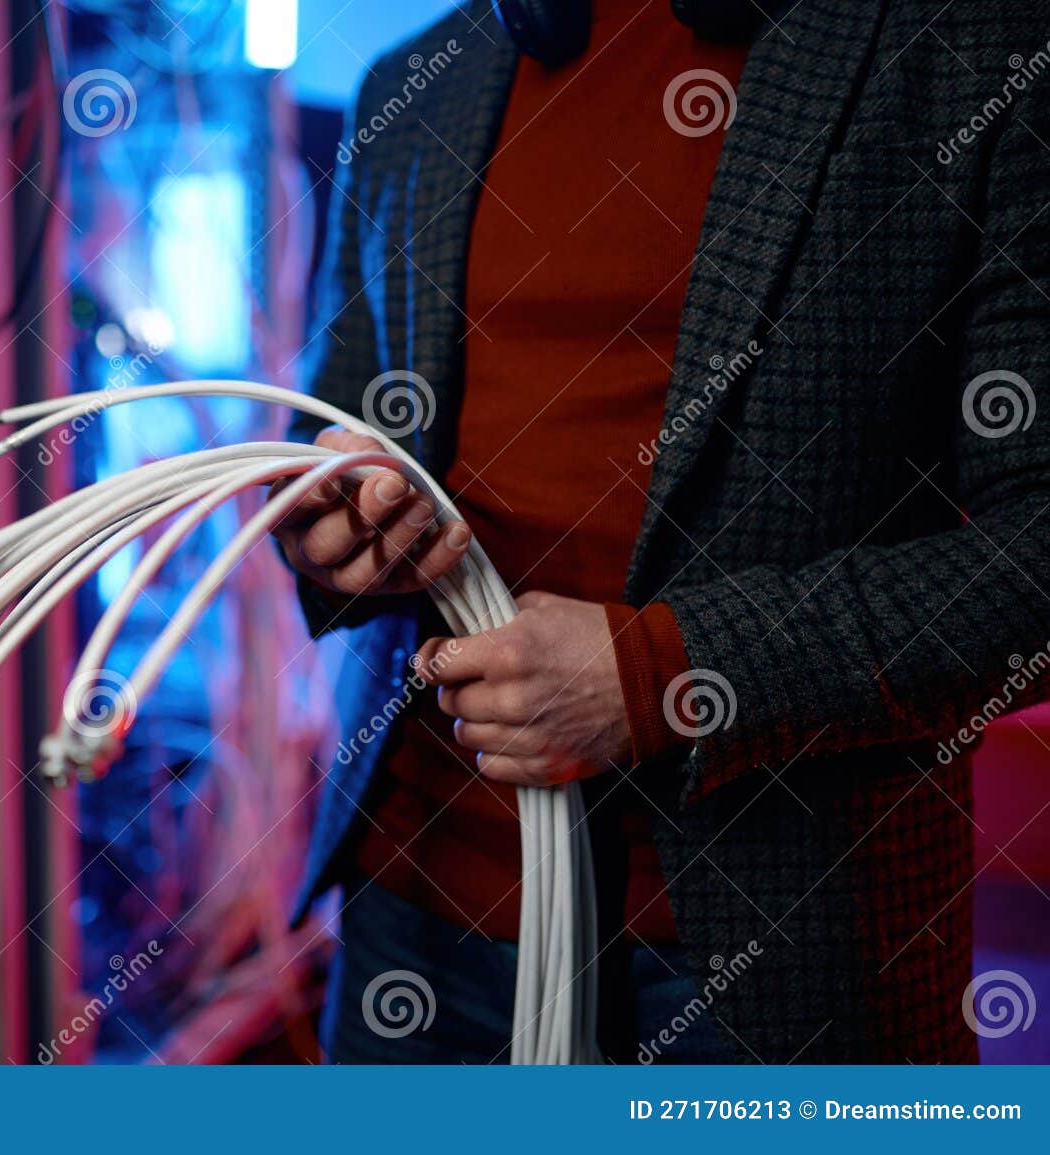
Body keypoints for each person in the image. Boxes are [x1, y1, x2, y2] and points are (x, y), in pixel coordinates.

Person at [275, 0, 1050, 1063]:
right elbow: (331, 432)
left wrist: (662, 679)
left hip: (775, 952)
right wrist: (329, 534)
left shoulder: (976, 51)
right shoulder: (421, 83)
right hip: (414, 907)